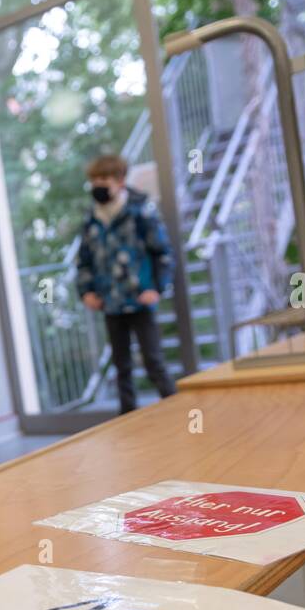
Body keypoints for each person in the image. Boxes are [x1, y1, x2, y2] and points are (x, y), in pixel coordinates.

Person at [76, 154, 176, 415]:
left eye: (104, 179)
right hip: (111, 303)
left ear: (119, 181)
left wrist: (156, 287)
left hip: (140, 300)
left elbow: (162, 252)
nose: (99, 185)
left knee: (153, 361)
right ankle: (128, 420)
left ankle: (180, 413)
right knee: (122, 367)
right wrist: (86, 291)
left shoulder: (140, 211)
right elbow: (84, 260)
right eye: (94, 180)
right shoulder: (91, 220)